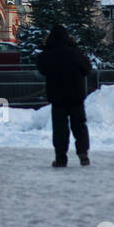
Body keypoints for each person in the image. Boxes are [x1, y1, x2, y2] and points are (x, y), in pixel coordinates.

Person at [35, 23, 93, 168]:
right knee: (79, 126)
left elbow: (41, 68)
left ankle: (61, 158)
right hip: (76, 96)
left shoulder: (48, 54)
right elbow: (87, 69)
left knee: (60, 129)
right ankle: (83, 154)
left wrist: (46, 49)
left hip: (57, 98)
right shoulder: (74, 52)